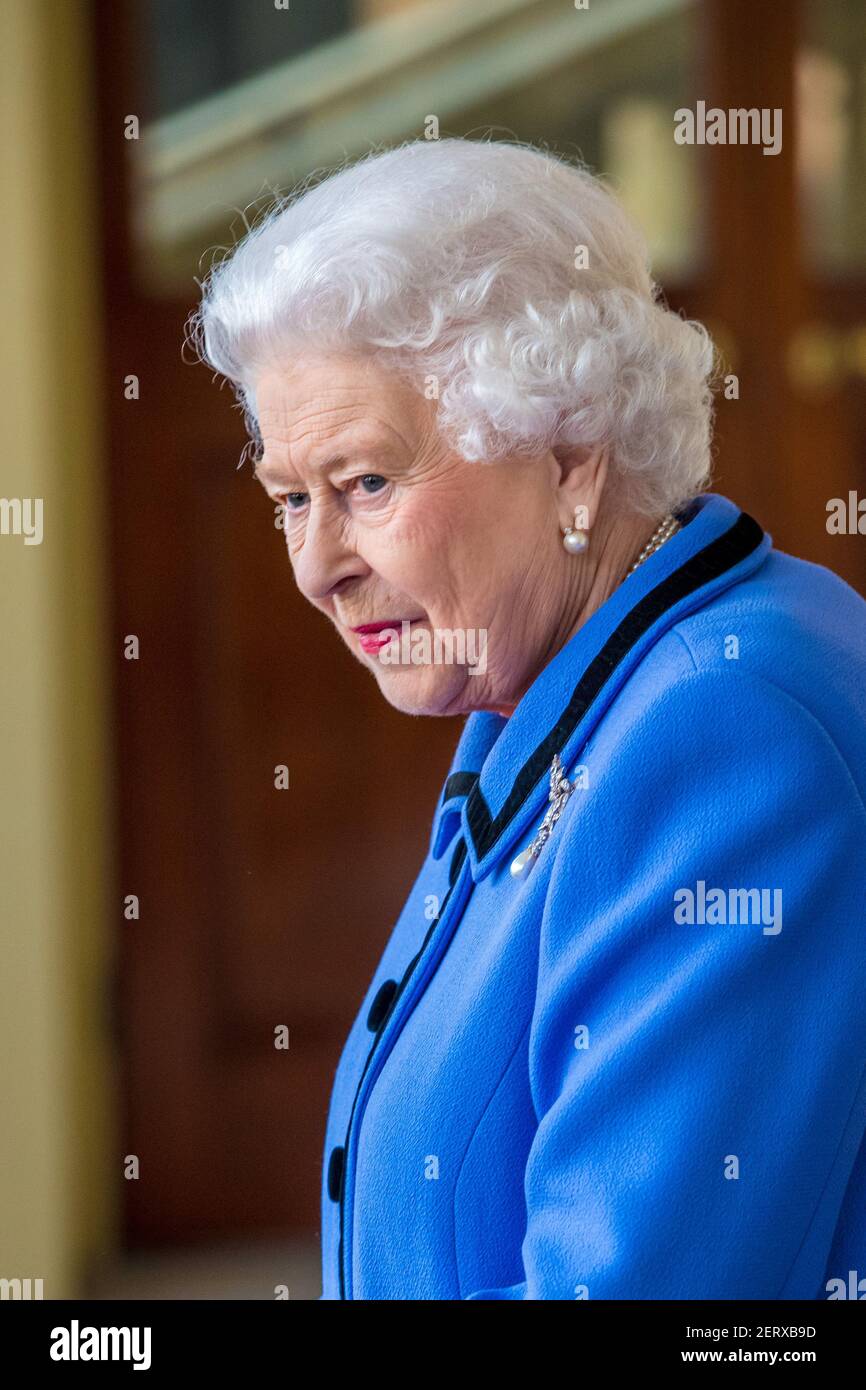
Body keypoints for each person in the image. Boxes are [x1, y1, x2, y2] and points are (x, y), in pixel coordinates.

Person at [191, 138, 866, 1300]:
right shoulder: (556, 679)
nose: (314, 567)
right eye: (288, 501)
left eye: (363, 484)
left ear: (566, 456)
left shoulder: (722, 731)